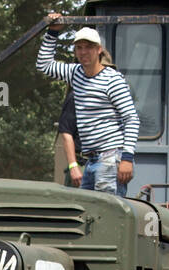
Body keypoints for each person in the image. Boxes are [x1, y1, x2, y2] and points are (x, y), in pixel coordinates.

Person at [37, 17, 139, 196]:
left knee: (107, 214)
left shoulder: (112, 79)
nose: (84, 52)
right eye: (79, 47)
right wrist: (53, 32)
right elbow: (44, 65)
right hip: (90, 160)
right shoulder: (76, 73)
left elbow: (131, 118)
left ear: (99, 50)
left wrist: (127, 158)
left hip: (110, 157)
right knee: (88, 212)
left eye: (89, 47)